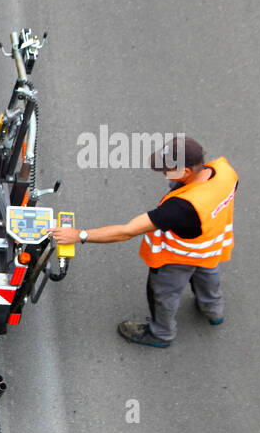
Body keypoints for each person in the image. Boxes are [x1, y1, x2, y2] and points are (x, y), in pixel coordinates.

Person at [48, 136, 237, 348]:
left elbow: (126, 231)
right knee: (208, 277)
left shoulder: (180, 208)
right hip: (209, 248)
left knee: (164, 295)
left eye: (167, 169)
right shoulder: (224, 171)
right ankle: (213, 311)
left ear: (186, 172)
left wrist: (79, 235)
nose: (164, 172)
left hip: (177, 257)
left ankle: (161, 333)